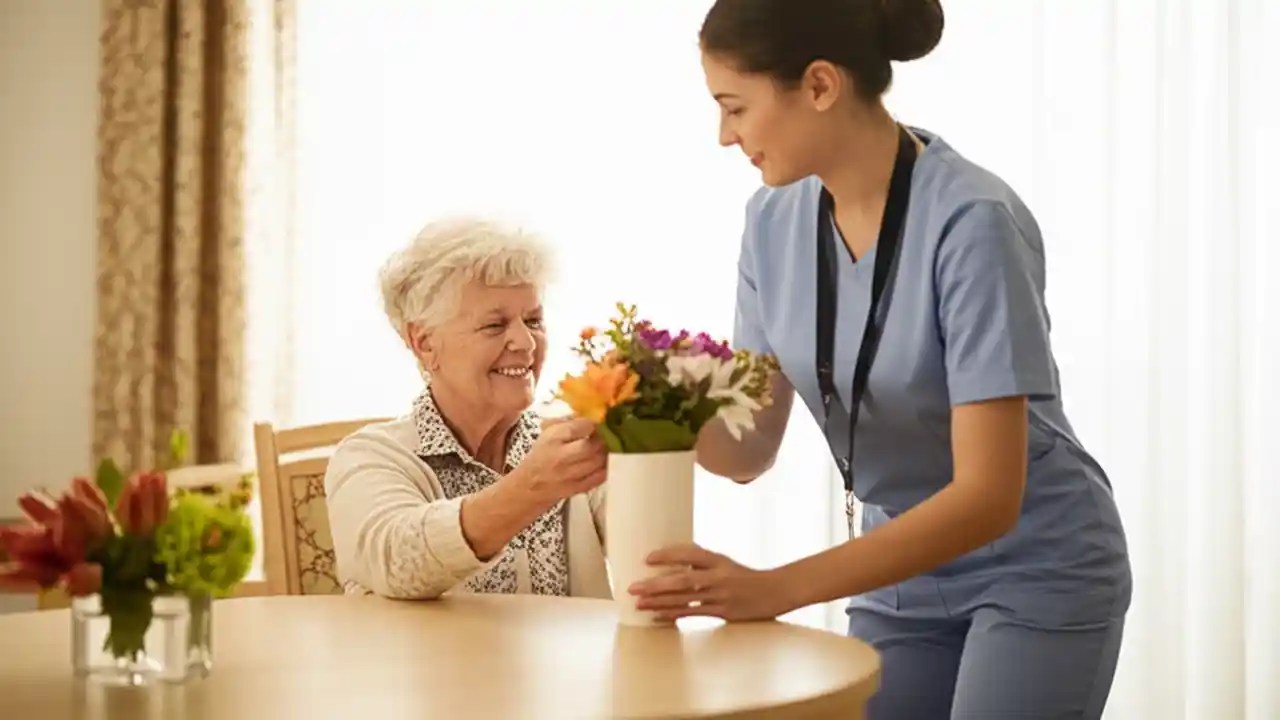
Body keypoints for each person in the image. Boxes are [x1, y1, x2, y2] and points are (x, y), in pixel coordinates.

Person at [629, 1, 1132, 718]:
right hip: (901, 577)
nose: (723, 135)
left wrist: (775, 587)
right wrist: (644, 412)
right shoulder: (770, 223)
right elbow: (746, 449)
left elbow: (990, 496)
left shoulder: (973, 222)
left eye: (734, 106)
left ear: (821, 86)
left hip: (1035, 566)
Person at [324, 217, 612, 600]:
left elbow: (652, 556)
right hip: (423, 664)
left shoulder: (573, 447)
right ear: (425, 343)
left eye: (533, 320)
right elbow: (398, 561)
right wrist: (530, 488)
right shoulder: (370, 456)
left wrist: (656, 441)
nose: (526, 343)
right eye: (495, 325)